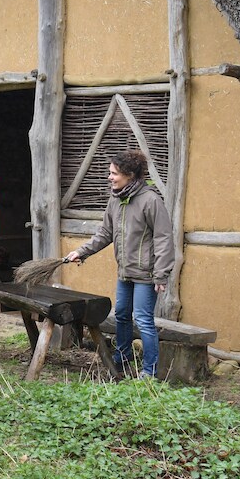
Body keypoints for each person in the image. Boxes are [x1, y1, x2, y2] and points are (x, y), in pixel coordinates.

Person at [64, 150, 174, 379]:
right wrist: (82, 252)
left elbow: (163, 238)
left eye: (114, 173)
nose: (110, 177)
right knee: (122, 314)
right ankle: (122, 358)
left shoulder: (150, 200)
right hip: (125, 272)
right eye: (110, 173)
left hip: (146, 273)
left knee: (143, 320)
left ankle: (149, 372)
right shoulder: (116, 199)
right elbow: (105, 233)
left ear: (130, 175)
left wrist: (161, 274)